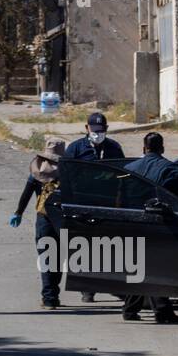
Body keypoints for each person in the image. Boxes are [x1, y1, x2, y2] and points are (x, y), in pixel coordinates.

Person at [121, 132, 178, 324]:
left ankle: (131, 309)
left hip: (134, 222)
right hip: (160, 223)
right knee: (155, 266)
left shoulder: (129, 169)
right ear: (162, 148)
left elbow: (119, 200)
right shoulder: (171, 170)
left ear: (143, 149)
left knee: (142, 265)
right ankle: (162, 310)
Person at [64, 112, 124, 304]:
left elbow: (123, 175)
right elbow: (66, 175)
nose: (98, 134)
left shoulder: (114, 148)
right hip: (83, 204)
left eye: (101, 130)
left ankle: (114, 286)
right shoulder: (75, 149)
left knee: (110, 246)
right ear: (86, 129)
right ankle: (87, 289)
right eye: (94, 130)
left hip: (107, 204)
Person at [9, 137, 67, 309]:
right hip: (63, 219)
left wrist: (18, 212)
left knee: (47, 258)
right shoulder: (67, 170)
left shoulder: (37, 170)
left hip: (44, 218)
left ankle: (49, 298)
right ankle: (52, 296)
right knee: (58, 258)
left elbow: (26, 193)